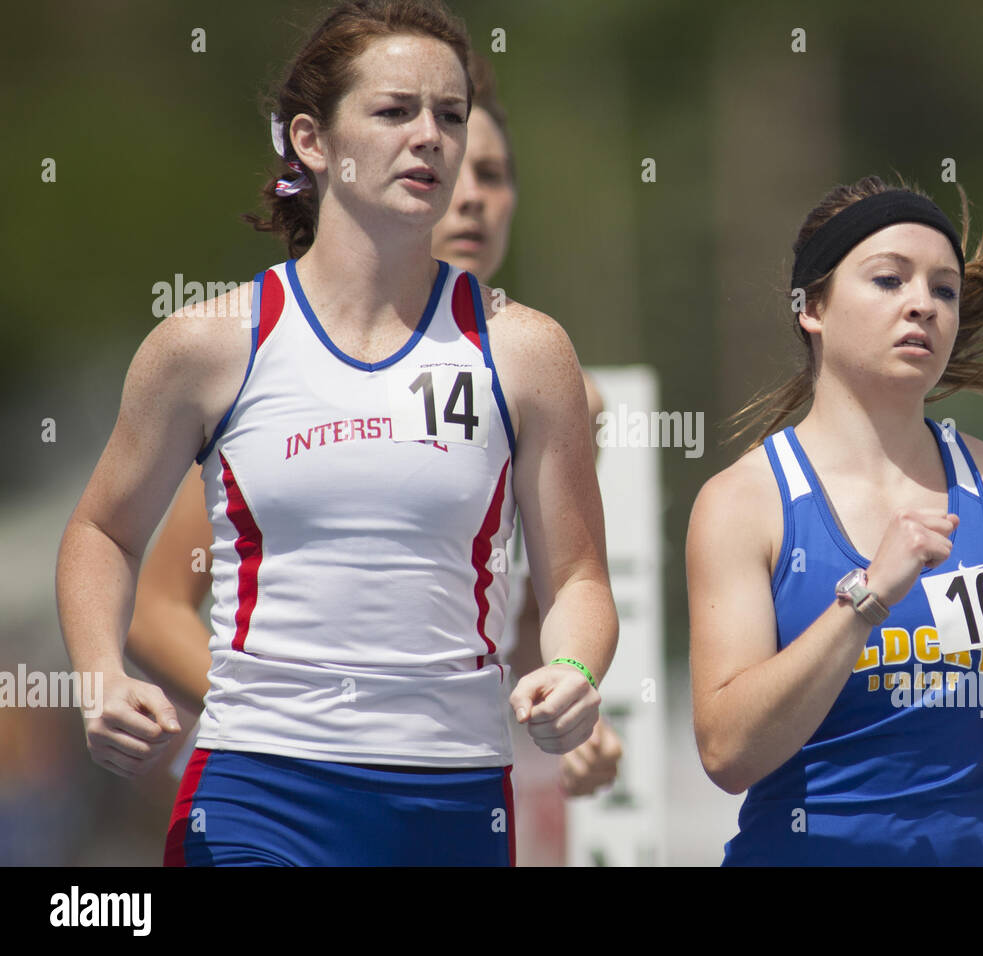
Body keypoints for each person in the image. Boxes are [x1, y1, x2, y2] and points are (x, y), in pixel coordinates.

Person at [55, 0, 617, 866]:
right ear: (311, 142)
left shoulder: (529, 351)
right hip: (257, 790)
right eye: (395, 111)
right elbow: (101, 531)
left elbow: (577, 576)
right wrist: (100, 677)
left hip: (454, 795)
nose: (429, 136)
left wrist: (575, 675)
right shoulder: (206, 344)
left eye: (451, 115)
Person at [687, 175, 983, 865]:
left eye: (944, 290)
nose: (923, 304)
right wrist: (866, 599)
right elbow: (728, 752)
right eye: (889, 280)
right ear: (813, 309)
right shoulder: (746, 501)